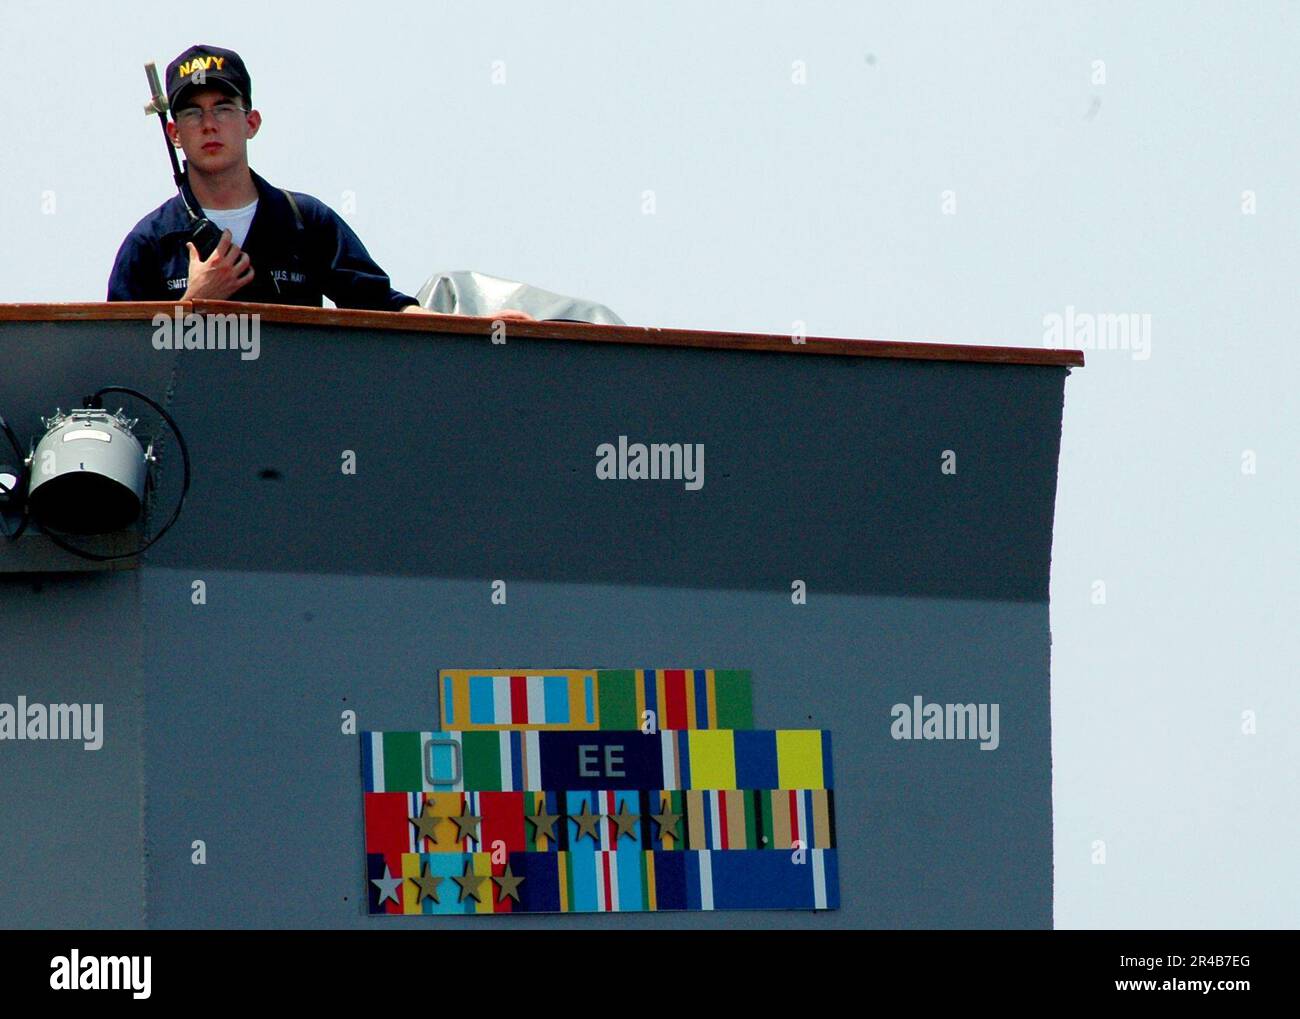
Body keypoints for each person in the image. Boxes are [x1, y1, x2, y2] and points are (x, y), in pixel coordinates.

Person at [107, 44, 531, 319]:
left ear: (251, 122)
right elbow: (120, 367)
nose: (209, 125)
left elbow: (382, 308)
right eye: (192, 113)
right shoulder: (151, 243)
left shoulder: (303, 221)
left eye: (223, 108)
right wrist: (193, 303)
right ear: (174, 133)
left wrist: (475, 329)